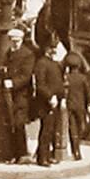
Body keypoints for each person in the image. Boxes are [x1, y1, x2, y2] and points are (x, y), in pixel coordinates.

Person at [0, 26, 36, 163]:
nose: (15, 43)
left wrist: (13, 83)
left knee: (18, 123)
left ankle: (22, 153)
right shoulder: (8, 53)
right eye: (12, 41)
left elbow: (26, 75)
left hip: (21, 94)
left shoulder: (28, 54)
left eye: (17, 41)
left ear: (22, 40)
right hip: (9, 94)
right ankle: (14, 154)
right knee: (10, 123)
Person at [32, 35, 65, 166]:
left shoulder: (53, 64)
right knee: (46, 131)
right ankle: (42, 157)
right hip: (46, 103)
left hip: (55, 101)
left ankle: (47, 154)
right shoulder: (42, 64)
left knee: (51, 130)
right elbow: (40, 85)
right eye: (53, 48)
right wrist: (50, 96)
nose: (55, 50)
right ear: (47, 50)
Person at [62, 45, 90, 161]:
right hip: (81, 107)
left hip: (70, 106)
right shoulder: (83, 78)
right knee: (80, 127)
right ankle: (77, 148)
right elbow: (89, 94)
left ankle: (76, 150)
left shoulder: (66, 78)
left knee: (72, 128)